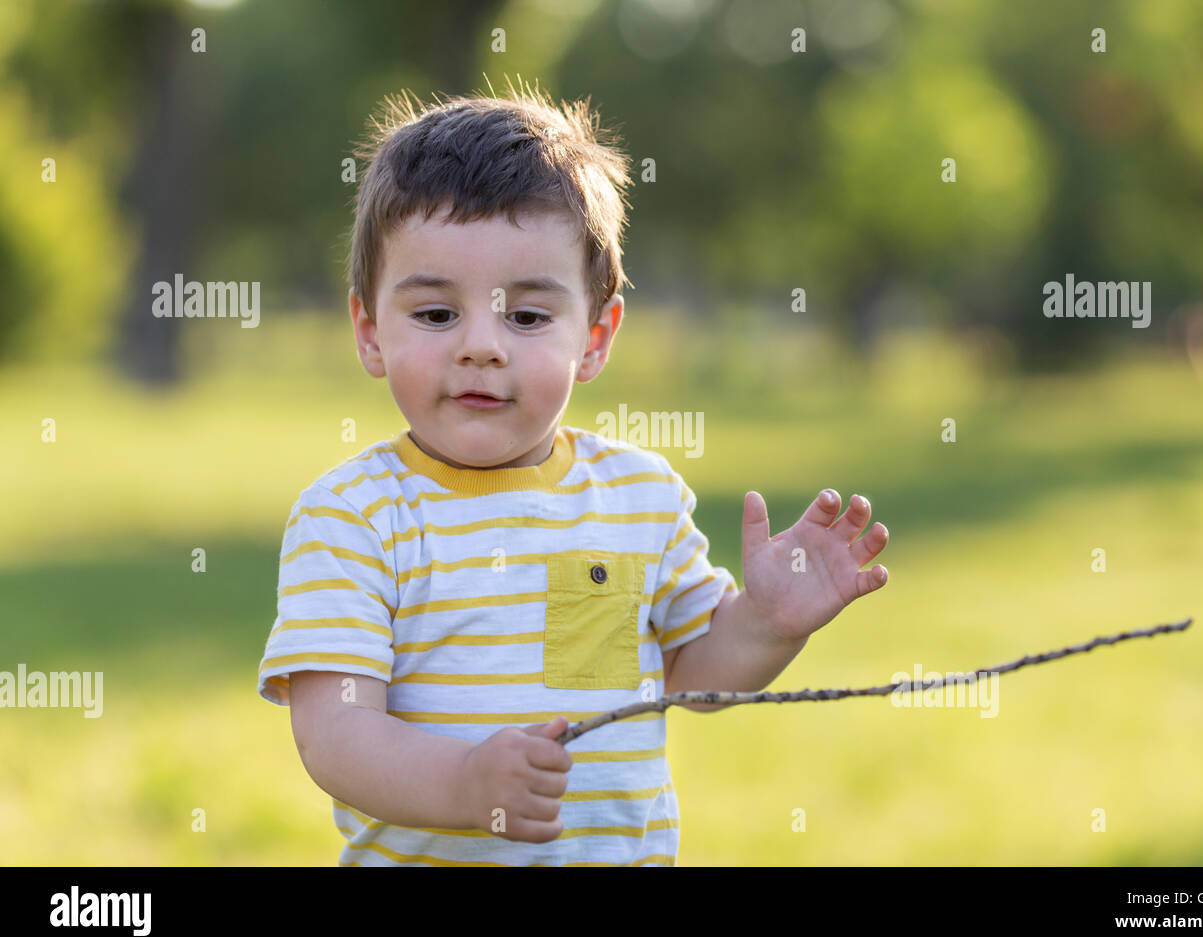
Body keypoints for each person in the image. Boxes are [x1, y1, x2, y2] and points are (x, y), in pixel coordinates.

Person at [256, 81, 890, 866]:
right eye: (435, 313)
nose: (481, 346)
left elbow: (694, 674)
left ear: (594, 336)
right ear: (369, 329)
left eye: (526, 316)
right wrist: (464, 784)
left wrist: (767, 621)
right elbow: (335, 736)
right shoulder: (352, 518)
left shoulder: (637, 496)